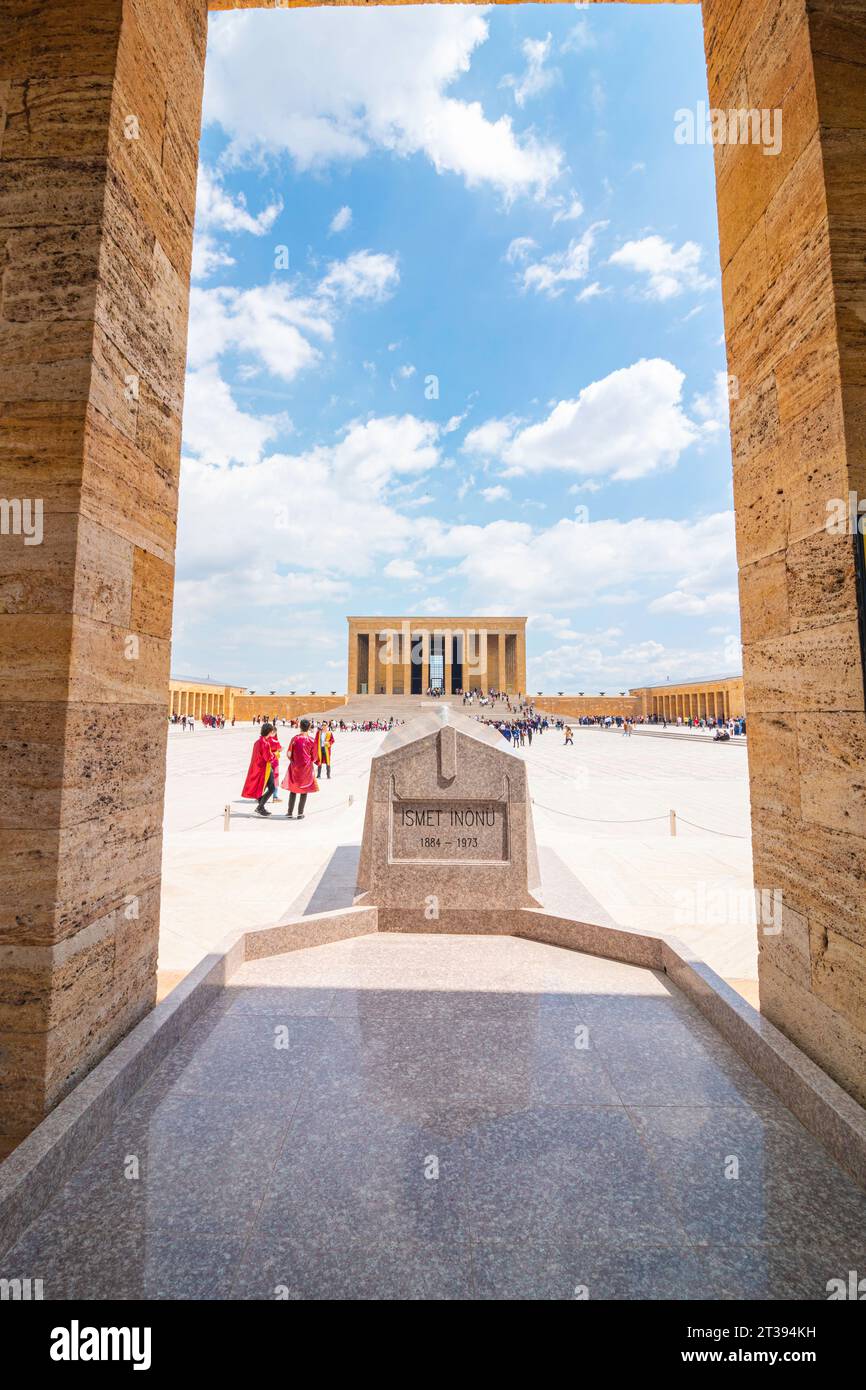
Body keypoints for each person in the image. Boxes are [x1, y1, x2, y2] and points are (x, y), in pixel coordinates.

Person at [282, 717, 319, 818]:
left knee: (293, 789)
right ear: (309, 727)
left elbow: (289, 754)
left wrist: (293, 761)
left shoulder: (294, 739)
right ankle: (300, 813)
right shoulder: (312, 740)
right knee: (304, 789)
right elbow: (315, 757)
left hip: (295, 767)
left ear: (300, 726)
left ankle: (289, 812)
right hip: (306, 768)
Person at [241, 722, 277, 817]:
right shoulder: (265, 743)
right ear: (269, 732)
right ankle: (260, 807)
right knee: (272, 788)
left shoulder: (257, 742)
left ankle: (261, 807)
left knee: (266, 788)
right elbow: (268, 758)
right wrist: (275, 754)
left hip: (258, 768)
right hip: (265, 769)